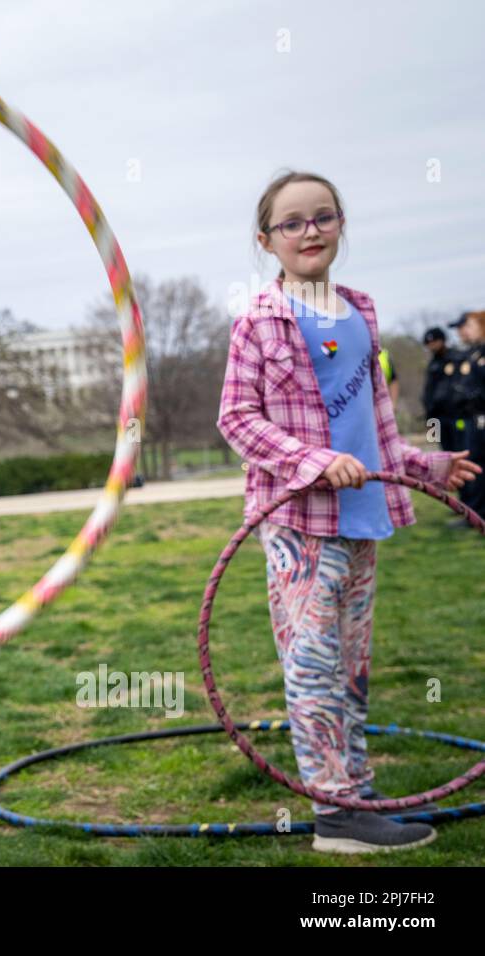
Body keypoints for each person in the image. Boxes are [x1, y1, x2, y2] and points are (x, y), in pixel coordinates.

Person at [218, 170, 480, 854]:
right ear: (266, 240)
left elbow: (376, 422)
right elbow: (237, 418)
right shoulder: (259, 319)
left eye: (323, 217)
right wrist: (310, 462)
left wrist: (429, 465)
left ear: (340, 225)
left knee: (352, 665)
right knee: (312, 663)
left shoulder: (360, 310)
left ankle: (357, 791)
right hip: (300, 522)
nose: (310, 231)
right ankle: (336, 816)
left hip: (364, 514)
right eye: (293, 223)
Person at [448, 311, 485, 523]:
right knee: (448, 451)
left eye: (468, 327)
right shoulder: (469, 355)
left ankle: (474, 511)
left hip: (467, 418)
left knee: (472, 461)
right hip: (435, 420)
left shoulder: (457, 357)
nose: (463, 332)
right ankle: (466, 507)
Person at [421, 327, 463, 453]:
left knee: (460, 448)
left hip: (455, 415)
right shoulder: (433, 363)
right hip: (436, 416)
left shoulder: (456, 358)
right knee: (443, 450)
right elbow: (429, 389)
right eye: (428, 343)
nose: (431, 346)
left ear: (442, 341)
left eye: (434, 342)